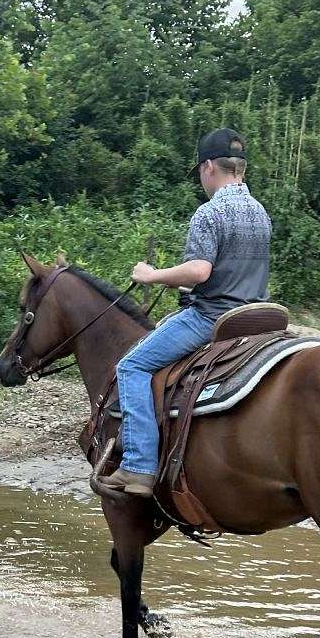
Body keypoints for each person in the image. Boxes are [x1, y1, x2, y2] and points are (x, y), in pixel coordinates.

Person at [103, 127, 272, 497]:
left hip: (213, 318)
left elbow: (200, 271)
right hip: (256, 317)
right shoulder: (260, 212)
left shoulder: (210, 212)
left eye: (200, 172)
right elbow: (233, 272)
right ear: (240, 167)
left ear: (209, 166)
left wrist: (152, 275)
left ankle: (139, 467)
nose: (201, 179)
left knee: (131, 367)